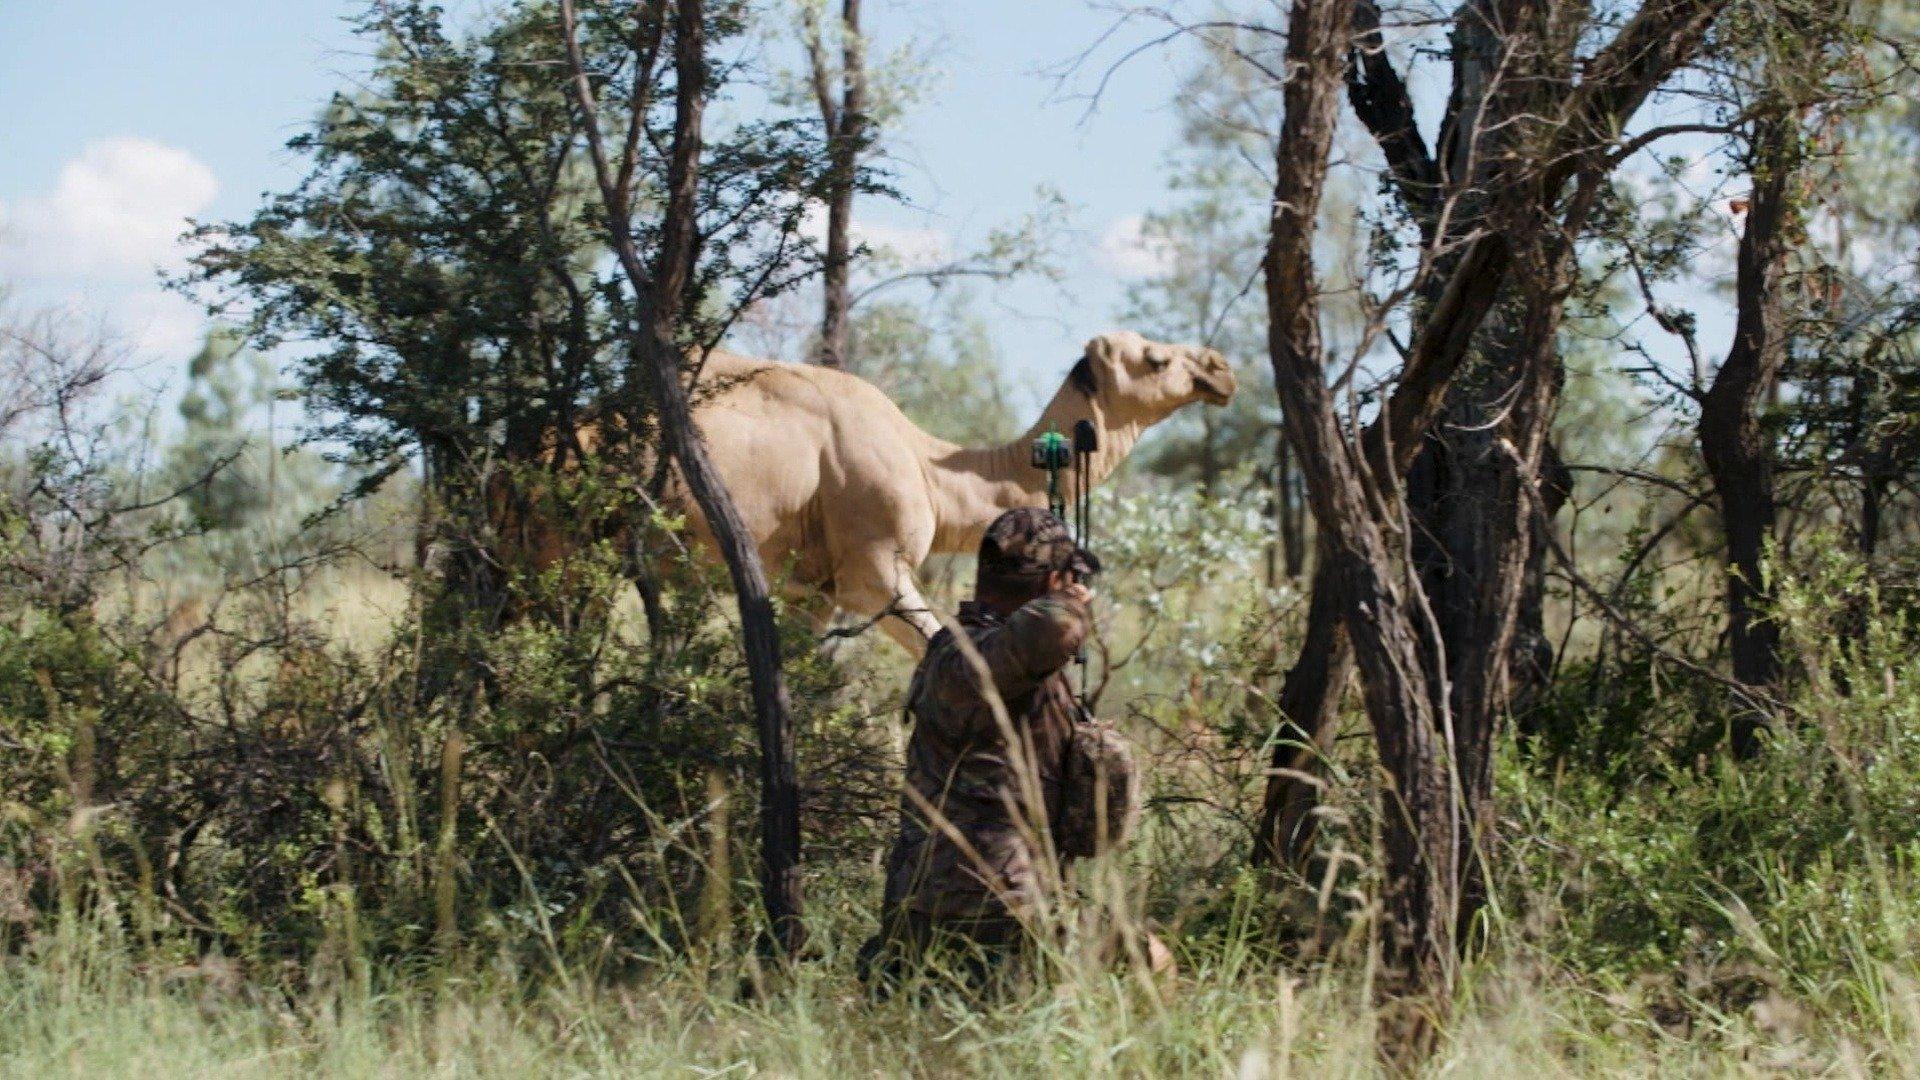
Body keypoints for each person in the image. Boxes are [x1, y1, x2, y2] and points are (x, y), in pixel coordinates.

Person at [860, 507, 1158, 991]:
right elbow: (1050, 630)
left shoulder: (950, 648)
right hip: (1002, 911)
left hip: (919, 908)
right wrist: (1071, 603)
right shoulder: (984, 655)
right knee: (1152, 960)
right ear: (1055, 581)